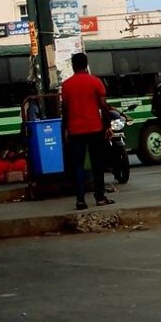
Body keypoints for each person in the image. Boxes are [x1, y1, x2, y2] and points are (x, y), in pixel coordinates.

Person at [60, 52, 115, 210]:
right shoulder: (95, 82)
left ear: (73, 66)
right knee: (97, 164)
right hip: (95, 129)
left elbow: (65, 109)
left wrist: (65, 129)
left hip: (75, 131)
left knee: (77, 165)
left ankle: (80, 200)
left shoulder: (66, 85)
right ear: (86, 65)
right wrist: (107, 126)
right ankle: (100, 197)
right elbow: (103, 106)